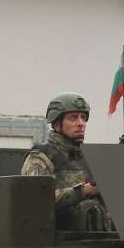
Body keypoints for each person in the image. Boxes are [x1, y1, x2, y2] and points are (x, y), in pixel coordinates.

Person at [21, 92, 113, 231]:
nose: (81, 124)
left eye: (83, 118)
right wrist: (81, 191)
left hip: (100, 240)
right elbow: (36, 200)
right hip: (60, 243)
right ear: (57, 123)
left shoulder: (91, 158)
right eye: (73, 118)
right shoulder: (41, 158)